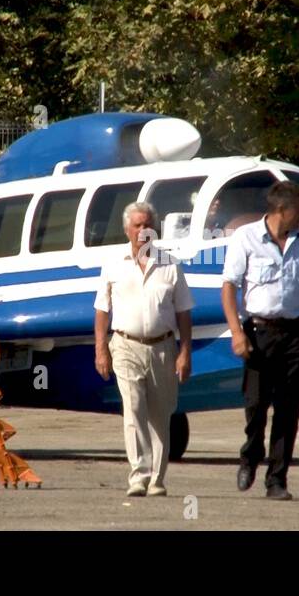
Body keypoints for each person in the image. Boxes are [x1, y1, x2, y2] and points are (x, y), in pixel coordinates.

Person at [220, 180, 299, 500]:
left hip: (294, 333)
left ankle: (277, 479)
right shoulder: (246, 237)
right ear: (282, 209)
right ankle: (250, 455)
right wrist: (237, 333)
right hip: (258, 332)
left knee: (288, 408)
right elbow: (229, 288)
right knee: (255, 405)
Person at [94, 201, 194, 497]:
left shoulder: (171, 265)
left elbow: (184, 313)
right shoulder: (112, 264)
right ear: (127, 229)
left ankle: (157, 479)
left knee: (160, 414)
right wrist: (101, 349)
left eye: (147, 225)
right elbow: (102, 310)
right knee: (133, 408)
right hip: (124, 344)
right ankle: (139, 474)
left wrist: (185, 352)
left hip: (162, 347)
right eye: (137, 225)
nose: (142, 231)